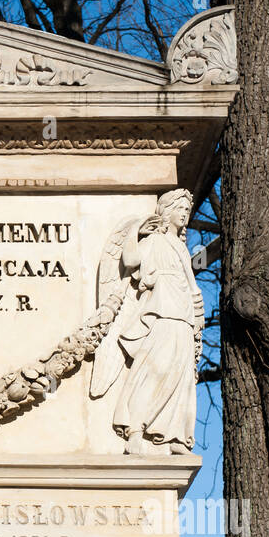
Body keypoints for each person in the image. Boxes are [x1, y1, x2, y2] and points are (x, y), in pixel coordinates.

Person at [109, 188, 204, 454]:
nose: (185, 214)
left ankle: (172, 435)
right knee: (155, 369)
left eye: (187, 210)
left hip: (183, 314)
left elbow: (191, 283)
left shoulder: (181, 248)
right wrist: (135, 231)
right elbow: (131, 260)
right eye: (180, 209)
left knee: (180, 374)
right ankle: (136, 430)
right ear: (167, 211)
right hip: (162, 312)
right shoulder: (155, 241)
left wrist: (197, 313)